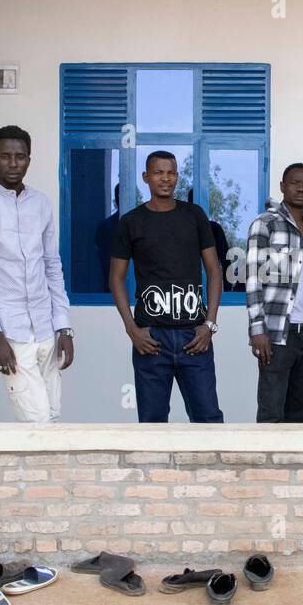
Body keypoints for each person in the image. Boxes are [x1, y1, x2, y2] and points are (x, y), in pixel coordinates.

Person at [0, 125, 74, 422]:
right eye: (5, 156)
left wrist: (64, 327)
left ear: (29, 159)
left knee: (52, 414)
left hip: (46, 325)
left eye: (20, 157)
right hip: (10, 330)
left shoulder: (41, 203)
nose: (13, 164)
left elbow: (52, 266)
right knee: (36, 420)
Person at [109, 150, 224, 423]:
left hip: (194, 337)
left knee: (208, 420)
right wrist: (132, 329)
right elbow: (115, 278)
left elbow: (214, 271)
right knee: (152, 424)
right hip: (151, 339)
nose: (165, 179)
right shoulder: (131, 222)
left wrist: (209, 325)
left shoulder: (194, 216)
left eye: (171, 172)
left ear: (177, 177)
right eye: (158, 173)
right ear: (145, 177)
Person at [245, 162, 303, 422]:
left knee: (300, 412)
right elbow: (253, 281)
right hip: (276, 336)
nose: (301, 188)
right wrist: (258, 329)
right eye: (295, 183)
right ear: (283, 186)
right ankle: (267, 464)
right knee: (271, 412)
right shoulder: (265, 225)